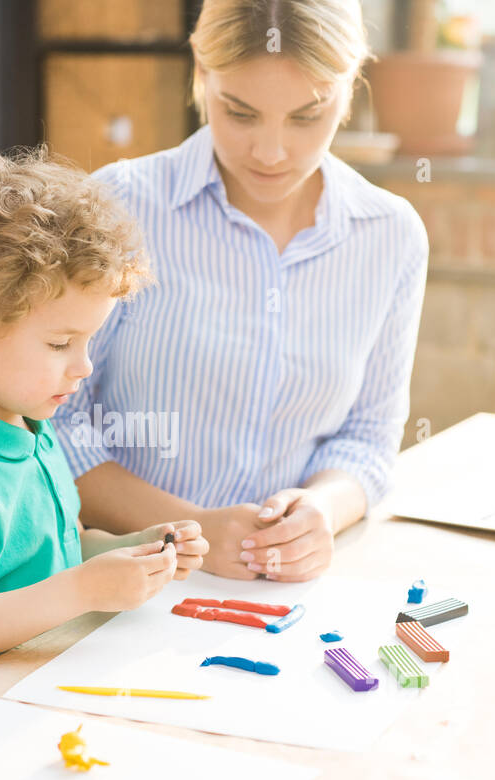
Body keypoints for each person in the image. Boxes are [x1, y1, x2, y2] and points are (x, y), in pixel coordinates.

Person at [54, 0, 429, 583]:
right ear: (202, 76)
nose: (271, 151)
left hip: (287, 600)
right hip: (121, 584)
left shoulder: (390, 235)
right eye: (240, 112)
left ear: (350, 87)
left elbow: (368, 440)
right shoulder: (122, 204)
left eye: (307, 116)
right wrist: (191, 527)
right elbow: (50, 421)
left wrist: (322, 513)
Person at [0, 149, 209, 688]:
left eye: (88, 340)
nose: (84, 365)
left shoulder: (33, 431)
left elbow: (65, 551)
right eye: (58, 343)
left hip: (38, 688)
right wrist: (85, 591)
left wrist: (136, 550)